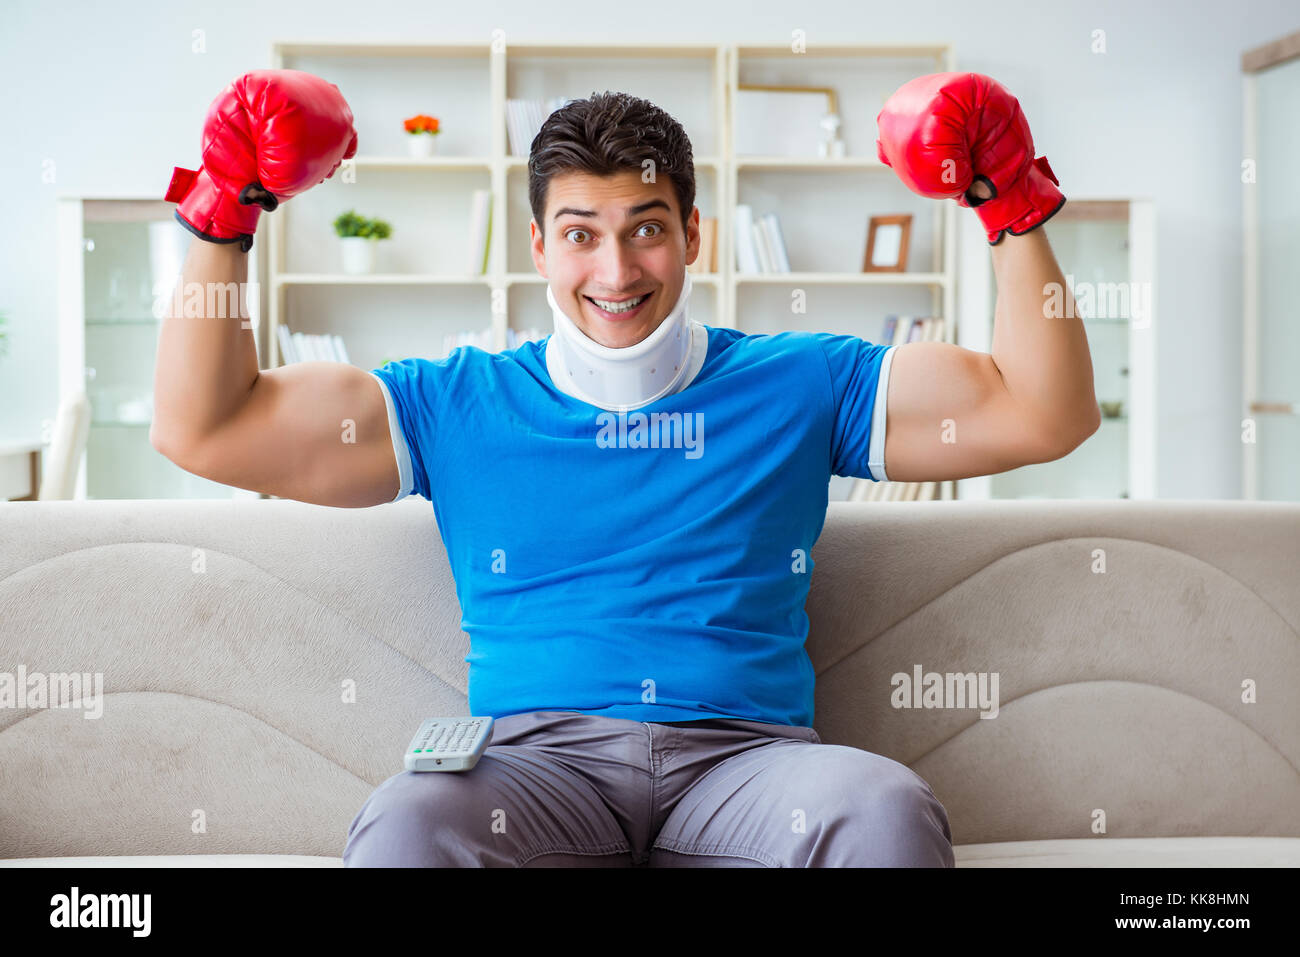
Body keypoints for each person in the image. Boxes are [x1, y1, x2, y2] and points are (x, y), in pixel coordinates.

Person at [154, 71, 1098, 868]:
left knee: (885, 809)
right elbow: (208, 428)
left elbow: (1043, 411)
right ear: (538, 246)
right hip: (531, 770)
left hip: (748, 766)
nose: (615, 268)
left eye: (646, 227)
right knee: (405, 825)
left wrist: (1007, 199)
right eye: (580, 233)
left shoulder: (804, 381)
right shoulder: (453, 402)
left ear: (695, 234)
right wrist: (224, 211)